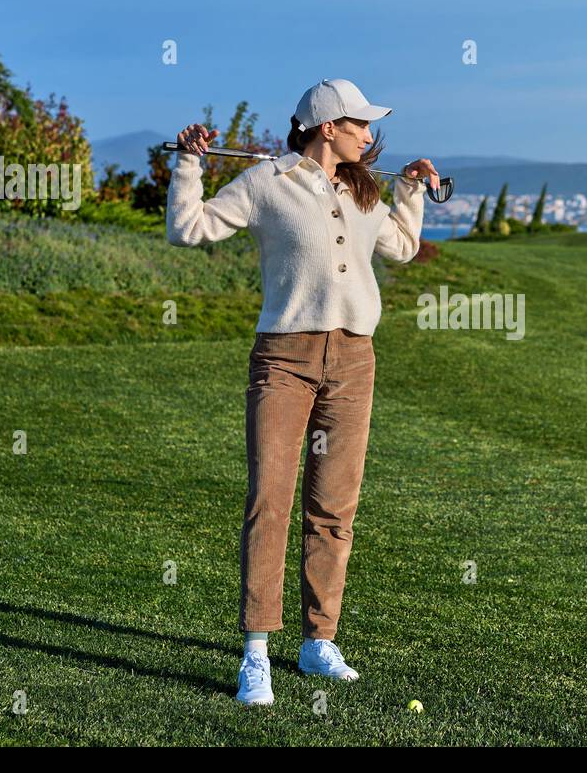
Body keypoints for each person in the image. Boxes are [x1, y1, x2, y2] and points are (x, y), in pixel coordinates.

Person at [166, 79, 439, 706]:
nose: (370, 135)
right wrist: (189, 164)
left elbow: (400, 246)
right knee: (271, 500)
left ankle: (319, 641)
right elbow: (190, 228)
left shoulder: (361, 189)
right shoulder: (267, 183)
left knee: (335, 506)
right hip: (285, 359)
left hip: (354, 360)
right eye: (360, 124)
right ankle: (256, 650)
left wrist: (411, 191)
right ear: (326, 127)